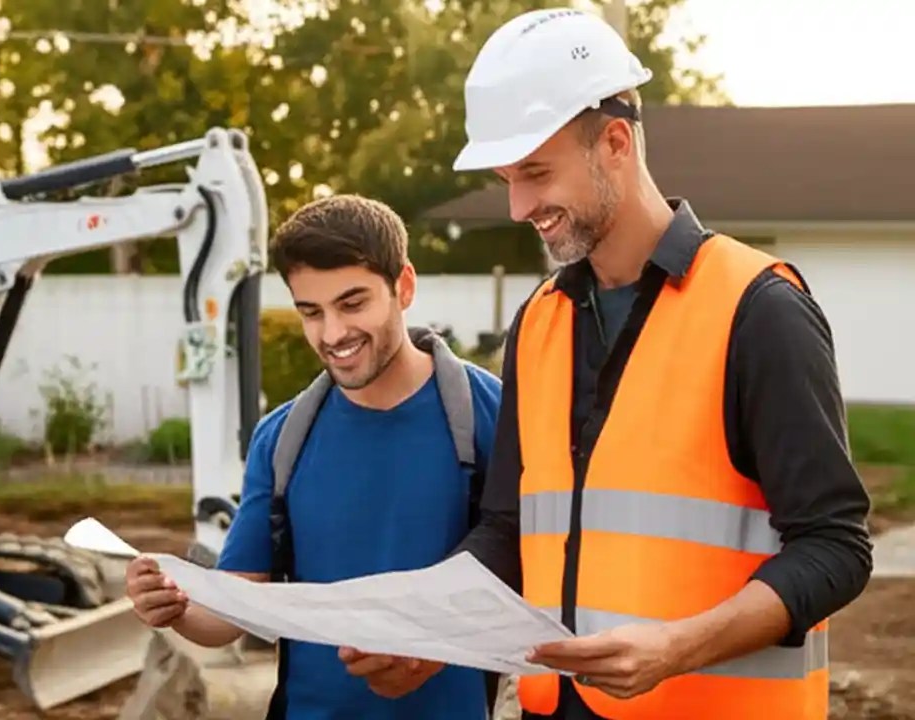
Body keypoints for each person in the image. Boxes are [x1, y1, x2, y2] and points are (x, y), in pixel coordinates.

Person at [340, 7, 873, 719]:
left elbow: (836, 547)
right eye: (508, 177)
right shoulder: (539, 322)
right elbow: (508, 530)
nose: (520, 204)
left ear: (615, 142)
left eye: (536, 172)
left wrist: (679, 646)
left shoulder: (759, 310)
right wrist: (431, 633)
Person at [124, 193, 505, 719]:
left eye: (353, 304)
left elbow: (525, 568)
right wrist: (176, 607)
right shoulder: (281, 438)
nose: (333, 334)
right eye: (311, 312)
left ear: (405, 286)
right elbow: (234, 608)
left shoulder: (490, 414)